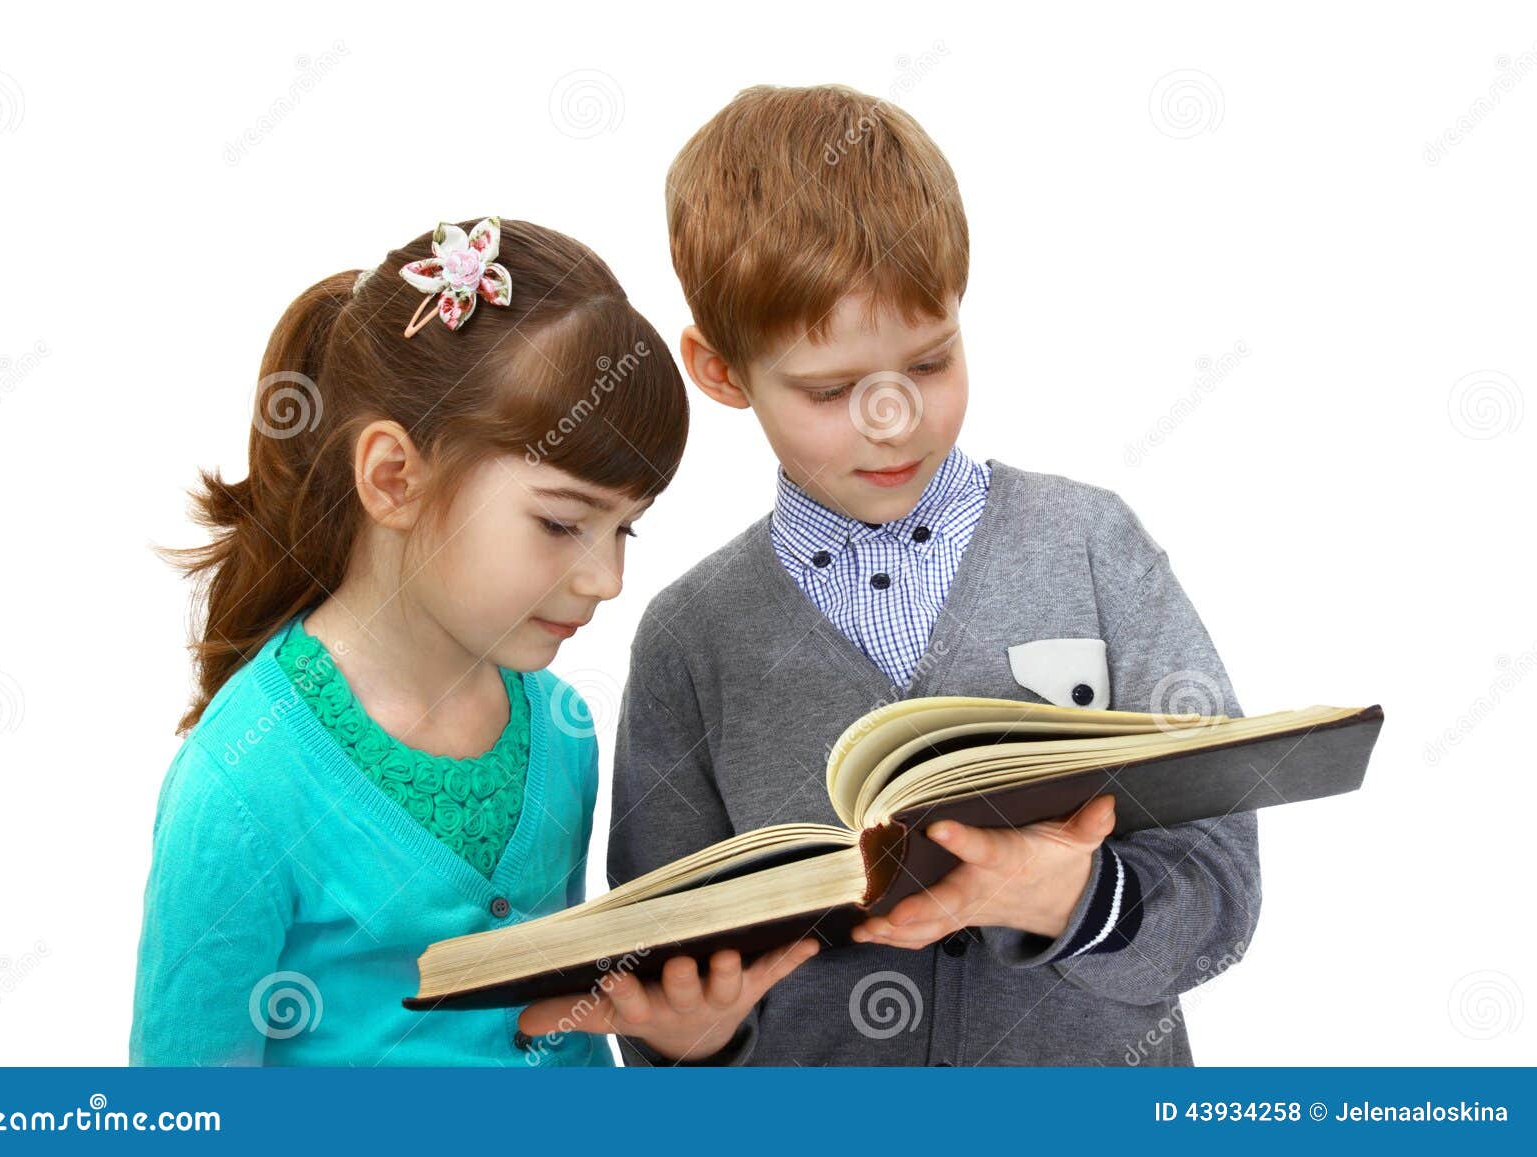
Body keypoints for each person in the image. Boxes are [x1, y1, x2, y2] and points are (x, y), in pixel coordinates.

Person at [518, 85, 1258, 1066]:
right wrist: (690, 1042)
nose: (889, 419)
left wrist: (1076, 900)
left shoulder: (1090, 545)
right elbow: (662, 967)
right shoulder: (692, 636)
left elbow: (1221, 883)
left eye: (928, 361)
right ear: (721, 369)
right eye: (829, 389)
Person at [130, 216, 688, 1065]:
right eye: (562, 522)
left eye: (627, 532)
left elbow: (561, 1021)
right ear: (393, 477)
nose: (607, 579)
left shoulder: (563, 729)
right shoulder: (242, 782)